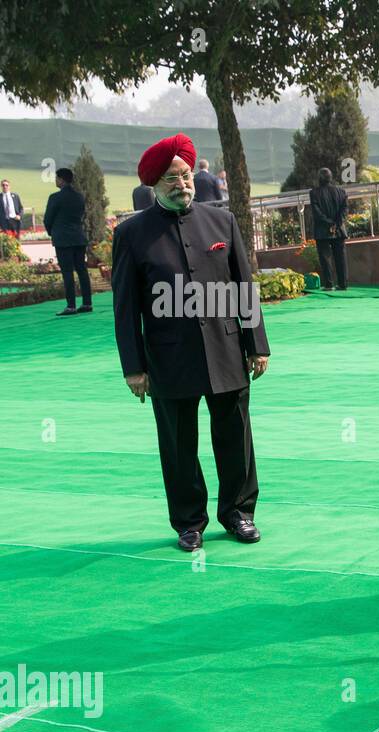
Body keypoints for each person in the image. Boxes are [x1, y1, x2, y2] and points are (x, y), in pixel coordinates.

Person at [111, 133, 271, 552]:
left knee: (235, 435)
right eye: (170, 178)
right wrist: (134, 366)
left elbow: (243, 286)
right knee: (179, 444)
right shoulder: (131, 235)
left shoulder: (223, 222)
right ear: (153, 185)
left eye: (185, 175)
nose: (181, 184)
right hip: (168, 359)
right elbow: (125, 308)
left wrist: (257, 343)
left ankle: (239, 512)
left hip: (226, 349)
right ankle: (188, 522)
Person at [43, 167, 93, 316]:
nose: (56, 181)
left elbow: (48, 219)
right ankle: (87, 303)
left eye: (57, 178)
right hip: (78, 237)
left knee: (67, 272)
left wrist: (53, 232)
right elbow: (81, 215)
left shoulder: (55, 197)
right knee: (82, 270)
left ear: (61, 180)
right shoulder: (79, 197)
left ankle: (71, 305)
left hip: (63, 239)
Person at [309, 167, 349, 290]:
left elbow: (317, 212)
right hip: (339, 230)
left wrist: (329, 223)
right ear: (330, 178)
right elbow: (345, 210)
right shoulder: (341, 192)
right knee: (341, 258)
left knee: (325, 258)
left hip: (322, 231)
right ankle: (343, 284)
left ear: (319, 179)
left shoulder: (314, 193)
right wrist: (336, 224)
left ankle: (329, 284)